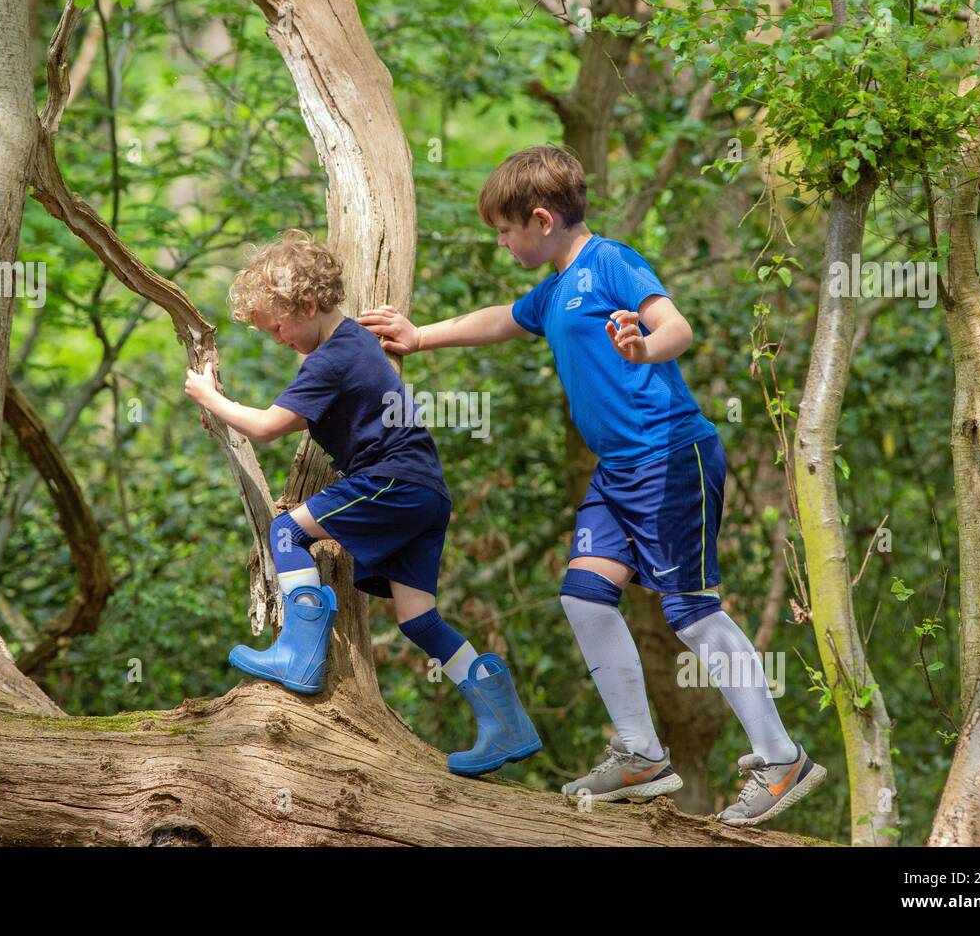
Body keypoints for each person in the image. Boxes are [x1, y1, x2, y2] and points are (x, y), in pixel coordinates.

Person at [360, 147, 825, 824]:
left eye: (505, 230)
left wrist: (643, 347)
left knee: (691, 610)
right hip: (618, 472)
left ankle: (781, 758)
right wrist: (418, 336)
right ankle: (641, 755)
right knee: (583, 595)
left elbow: (677, 326)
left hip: (670, 457)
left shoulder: (610, 261)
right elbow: (501, 319)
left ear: (541, 220)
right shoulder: (554, 290)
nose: (501, 242)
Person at [184, 229, 541, 777]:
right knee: (419, 620)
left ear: (307, 306)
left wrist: (210, 397)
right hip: (425, 492)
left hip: (391, 481)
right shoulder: (353, 342)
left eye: (277, 327)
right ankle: (506, 723)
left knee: (287, 532)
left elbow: (267, 427)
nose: (277, 340)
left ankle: (300, 656)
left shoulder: (329, 360)